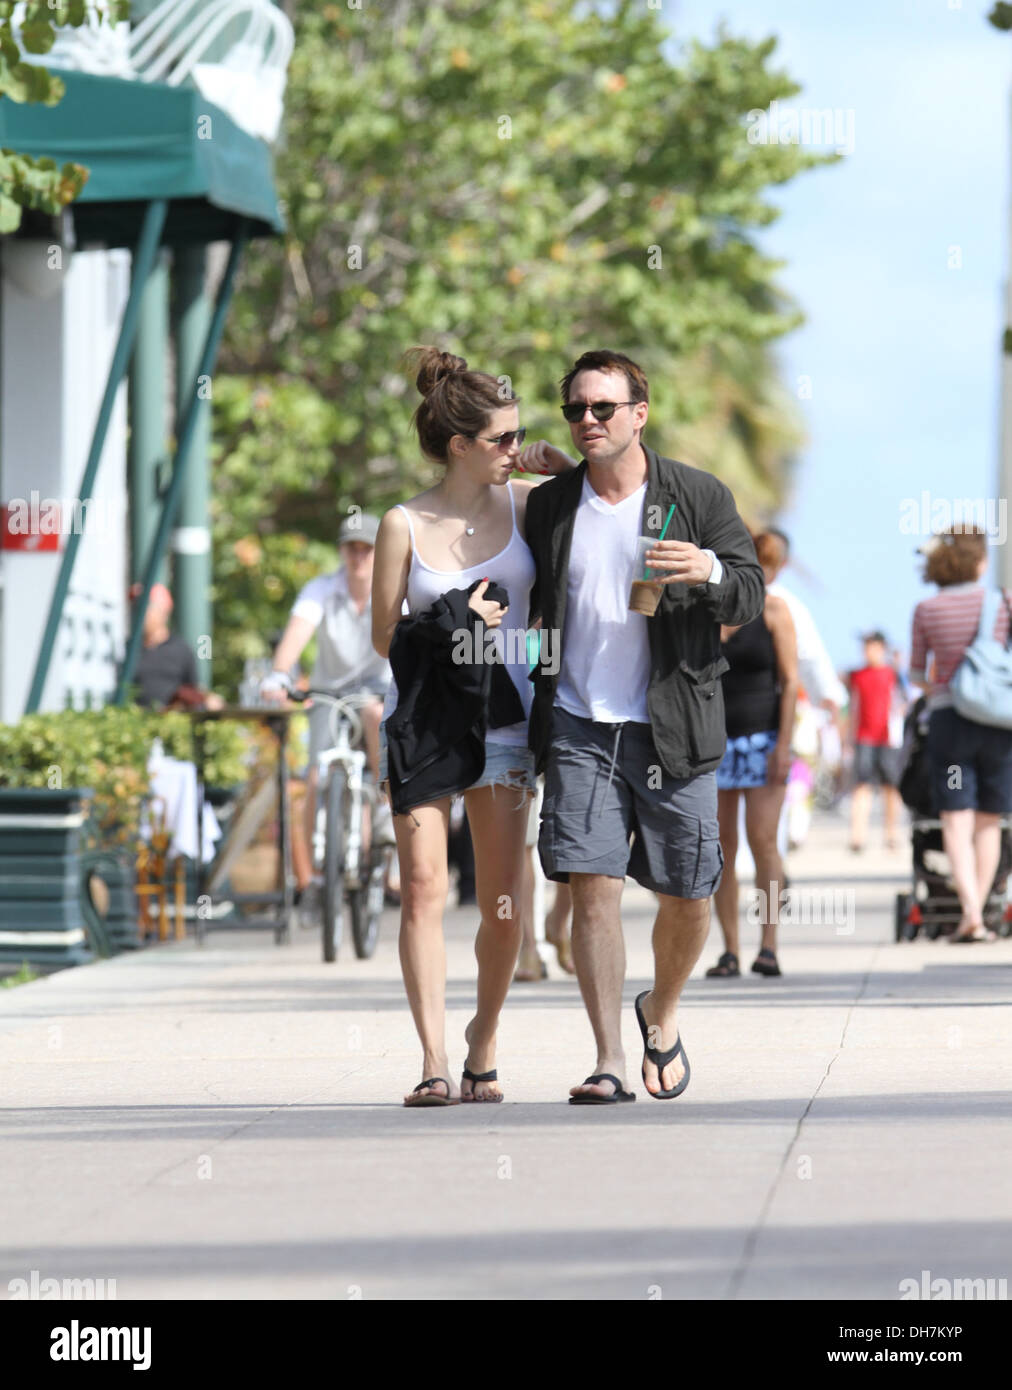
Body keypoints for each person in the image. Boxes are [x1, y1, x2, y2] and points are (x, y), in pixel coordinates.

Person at [524, 348, 764, 1103]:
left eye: (603, 408)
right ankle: (607, 1059)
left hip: (674, 725)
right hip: (578, 723)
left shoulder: (695, 495)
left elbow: (751, 592)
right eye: (576, 409)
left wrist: (712, 573)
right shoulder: (553, 502)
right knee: (592, 885)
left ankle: (661, 1010)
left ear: (639, 413)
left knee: (691, 895)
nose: (588, 420)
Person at [371, 347, 574, 1106]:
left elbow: (614, 511)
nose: (515, 450)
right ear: (459, 445)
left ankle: (481, 1041)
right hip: (426, 723)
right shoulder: (402, 523)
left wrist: (556, 470)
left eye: (519, 436)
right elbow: (383, 639)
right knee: (423, 888)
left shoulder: (526, 505)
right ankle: (429, 1057)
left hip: (505, 723)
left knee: (503, 900)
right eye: (504, 440)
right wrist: (457, 621)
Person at [261, 514, 396, 894]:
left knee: (374, 714)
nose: (359, 557)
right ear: (341, 552)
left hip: (377, 690)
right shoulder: (321, 589)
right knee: (317, 776)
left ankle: (385, 807)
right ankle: (316, 876)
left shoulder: (390, 587)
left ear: (378, 552)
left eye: (367, 549)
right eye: (351, 549)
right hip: (328, 693)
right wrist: (279, 673)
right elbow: (298, 631)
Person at [909, 527, 1012, 942]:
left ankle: (969, 911)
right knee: (990, 818)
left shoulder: (926, 609)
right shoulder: (1002, 603)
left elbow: (917, 674)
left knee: (955, 816)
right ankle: (981, 912)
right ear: (979, 562)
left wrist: (943, 687)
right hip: (998, 727)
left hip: (950, 728)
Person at [706, 531, 798, 979]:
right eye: (758, 560)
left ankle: (769, 945)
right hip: (714, 743)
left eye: (771, 562)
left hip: (762, 739)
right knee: (723, 848)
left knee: (763, 842)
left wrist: (784, 745)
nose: (764, 569)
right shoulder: (711, 608)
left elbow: (791, 682)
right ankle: (729, 950)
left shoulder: (776, 610)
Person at [847, 630, 904, 852]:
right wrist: (848, 738)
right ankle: (857, 836)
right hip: (863, 738)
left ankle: (891, 834)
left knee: (891, 787)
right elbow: (853, 706)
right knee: (862, 786)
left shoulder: (894, 674)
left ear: (881, 648)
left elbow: (904, 700)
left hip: (888, 739)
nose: (866, 651)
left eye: (870, 646)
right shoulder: (856, 675)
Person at [129, 582, 224, 711]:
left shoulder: (181, 650)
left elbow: (194, 690)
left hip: (171, 725)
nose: (138, 613)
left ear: (163, 611)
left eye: (144, 607)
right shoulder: (125, 649)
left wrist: (206, 699)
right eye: (135, 607)